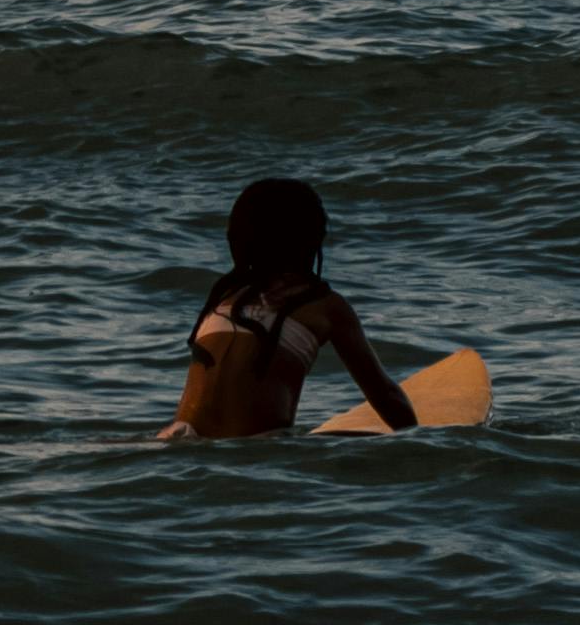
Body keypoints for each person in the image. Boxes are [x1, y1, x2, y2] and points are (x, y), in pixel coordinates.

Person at [174, 177, 419, 438]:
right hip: (256, 449)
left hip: (177, 440)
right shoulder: (326, 306)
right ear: (311, 240)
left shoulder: (225, 298)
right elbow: (385, 395)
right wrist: (418, 442)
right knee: (367, 438)